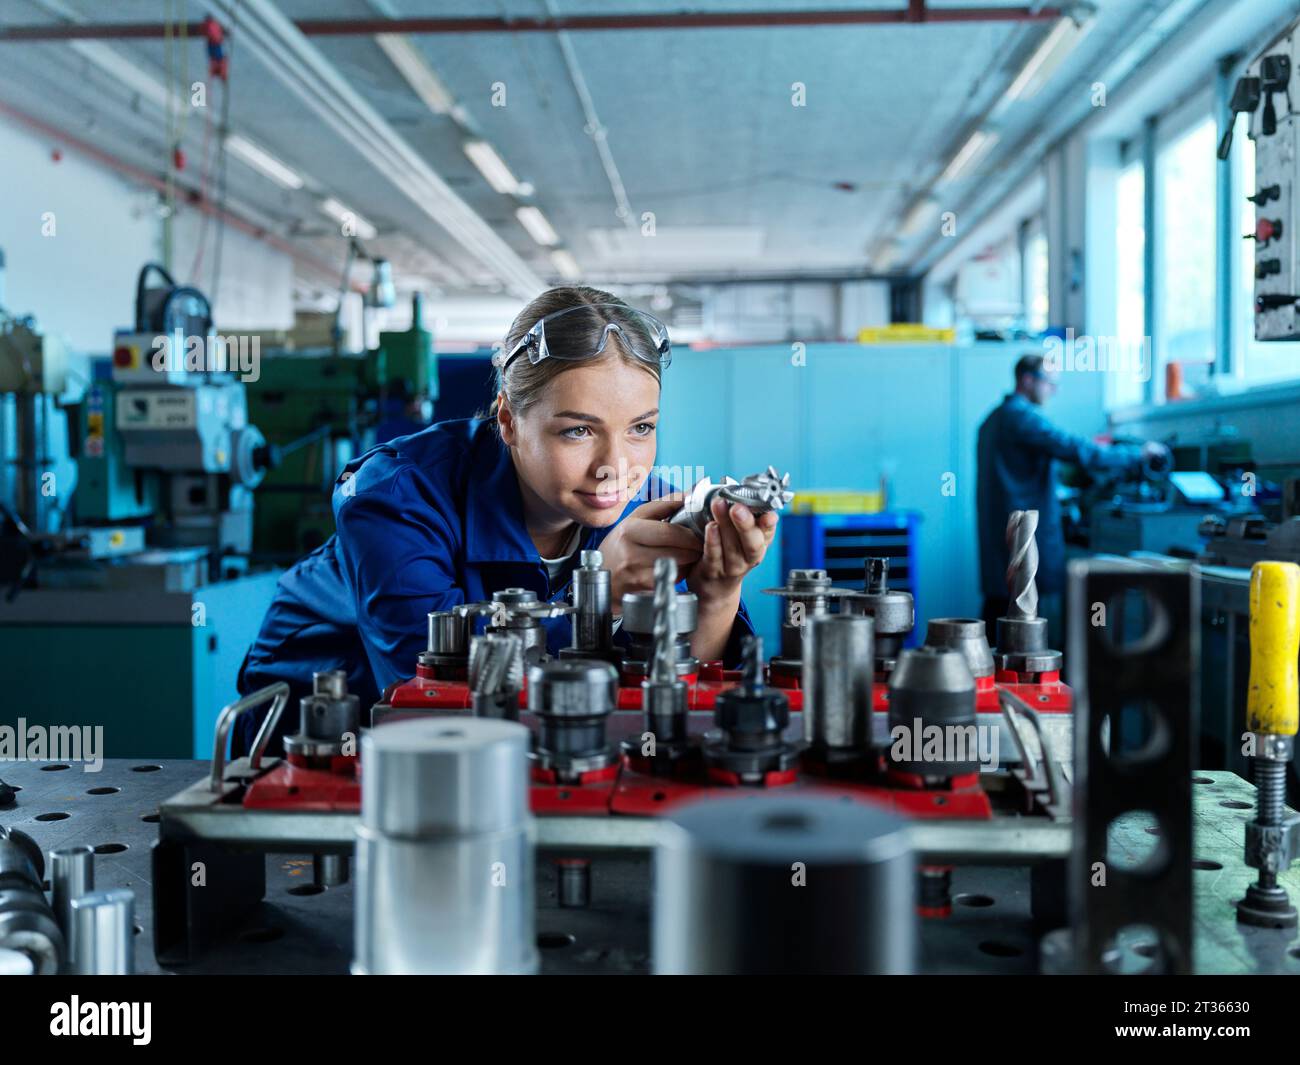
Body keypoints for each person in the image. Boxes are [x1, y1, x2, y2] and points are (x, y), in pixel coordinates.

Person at [233, 286, 777, 752]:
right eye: (578, 431)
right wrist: (594, 595)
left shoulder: (642, 506)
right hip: (312, 743)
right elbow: (425, 694)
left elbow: (675, 685)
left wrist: (718, 592)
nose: (616, 468)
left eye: (640, 429)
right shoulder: (393, 498)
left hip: (510, 751)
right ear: (510, 421)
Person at [976, 354, 1168, 641]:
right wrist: (1137, 454)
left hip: (1003, 540)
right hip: (1025, 540)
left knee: (999, 619)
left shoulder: (991, 420)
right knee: (1025, 628)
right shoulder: (1021, 418)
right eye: (1050, 382)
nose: (1054, 390)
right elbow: (1076, 450)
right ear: (1027, 380)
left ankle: (991, 681)